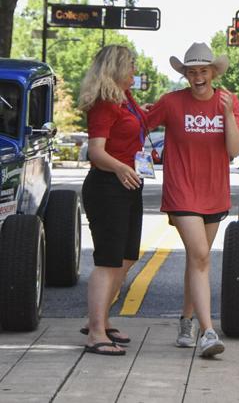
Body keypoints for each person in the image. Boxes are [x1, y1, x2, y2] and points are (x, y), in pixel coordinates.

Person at [146, 42, 239, 358]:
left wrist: (228, 113)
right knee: (201, 255)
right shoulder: (172, 103)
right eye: (191, 71)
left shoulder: (229, 101)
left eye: (203, 70)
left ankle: (186, 321)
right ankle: (208, 331)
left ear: (214, 72)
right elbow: (139, 125)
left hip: (214, 192)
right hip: (182, 191)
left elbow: (234, 150)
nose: (197, 76)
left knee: (196, 260)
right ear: (185, 74)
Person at [78, 45, 145, 355]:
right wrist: (120, 167)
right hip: (107, 186)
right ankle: (95, 333)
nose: (134, 71)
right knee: (108, 260)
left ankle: (101, 320)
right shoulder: (104, 104)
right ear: (117, 68)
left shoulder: (125, 99)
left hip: (128, 185)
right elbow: (96, 151)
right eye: (130, 66)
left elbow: (148, 120)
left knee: (128, 255)